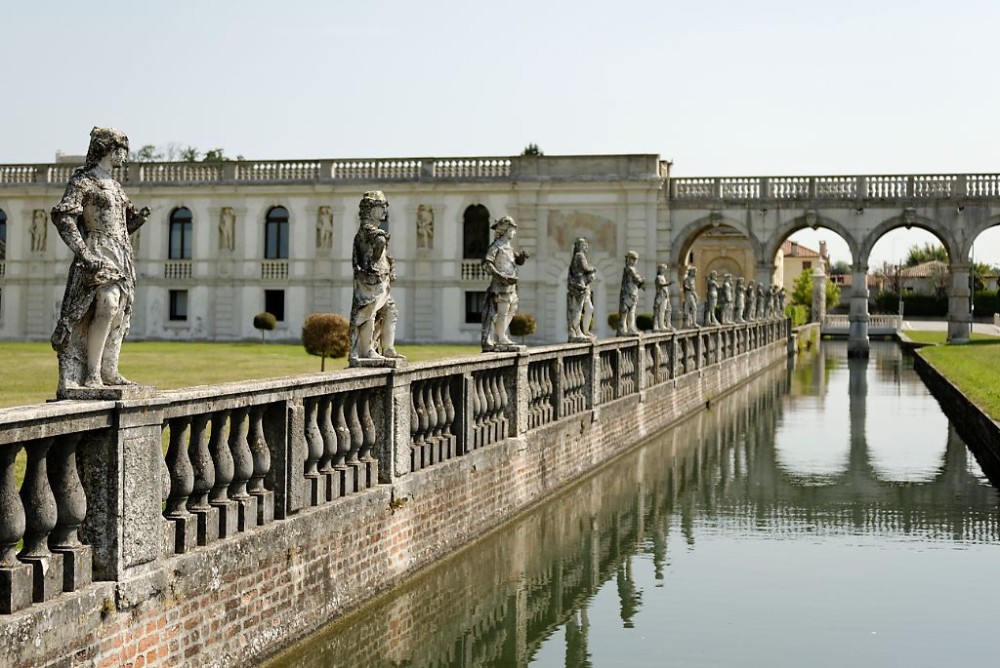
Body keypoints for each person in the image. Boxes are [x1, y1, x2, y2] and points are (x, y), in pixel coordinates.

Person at [51, 127, 150, 394]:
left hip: (121, 253)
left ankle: (109, 369)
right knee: (106, 304)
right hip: (97, 249)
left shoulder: (116, 186)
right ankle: (91, 374)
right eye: (122, 151)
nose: (124, 158)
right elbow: (64, 217)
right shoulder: (84, 180)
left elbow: (124, 224)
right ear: (107, 149)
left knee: (119, 311)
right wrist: (83, 252)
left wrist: (137, 219)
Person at [349, 191, 404, 363]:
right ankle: (366, 350)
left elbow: (382, 250)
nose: (384, 211)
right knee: (369, 313)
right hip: (370, 282)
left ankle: (388, 348)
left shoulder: (369, 231)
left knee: (390, 310)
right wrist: (374, 263)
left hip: (380, 280)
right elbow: (380, 242)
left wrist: (388, 267)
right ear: (371, 209)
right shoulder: (367, 230)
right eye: (382, 207)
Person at [482, 216, 528, 350]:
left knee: (512, 309)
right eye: (512, 230)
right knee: (503, 311)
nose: (514, 232)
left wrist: (522, 258)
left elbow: (517, 261)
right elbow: (487, 263)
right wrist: (499, 275)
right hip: (500, 285)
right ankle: (501, 338)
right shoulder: (496, 246)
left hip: (511, 285)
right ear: (506, 230)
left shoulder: (508, 247)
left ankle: (499, 333)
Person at [567, 237, 597, 341]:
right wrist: (593, 269)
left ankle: (585, 331)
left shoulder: (579, 255)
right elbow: (585, 268)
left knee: (589, 308)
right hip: (579, 285)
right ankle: (576, 331)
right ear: (580, 246)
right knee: (578, 309)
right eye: (584, 245)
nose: (586, 247)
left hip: (583, 285)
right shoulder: (580, 255)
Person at [617, 251, 645, 335]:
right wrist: (642, 280)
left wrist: (641, 282)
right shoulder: (629, 269)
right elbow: (637, 279)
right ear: (630, 259)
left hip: (633, 293)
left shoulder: (632, 269)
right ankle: (623, 329)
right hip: (628, 293)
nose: (635, 261)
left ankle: (630, 328)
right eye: (634, 259)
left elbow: (637, 282)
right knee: (625, 311)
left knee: (631, 311)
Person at [652, 264, 675, 331]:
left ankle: (667, 324)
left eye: (665, 269)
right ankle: (661, 325)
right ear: (660, 269)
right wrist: (668, 283)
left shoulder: (663, 277)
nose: (664, 270)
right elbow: (661, 285)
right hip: (660, 296)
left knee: (667, 310)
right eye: (663, 269)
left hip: (665, 296)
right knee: (661, 311)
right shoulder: (658, 277)